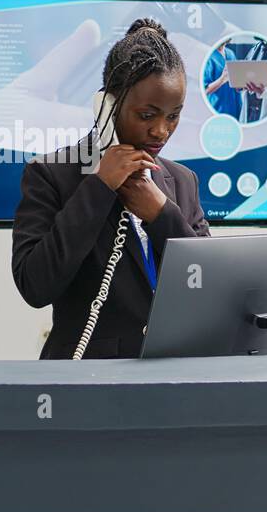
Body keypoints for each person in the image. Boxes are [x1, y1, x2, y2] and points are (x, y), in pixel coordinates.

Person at [12, 18, 211, 359]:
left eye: (173, 116)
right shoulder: (51, 174)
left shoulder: (181, 181)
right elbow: (36, 285)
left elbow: (208, 286)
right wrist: (99, 187)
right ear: (107, 107)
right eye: (147, 115)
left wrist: (162, 215)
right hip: (85, 374)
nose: (162, 131)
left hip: (171, 371)